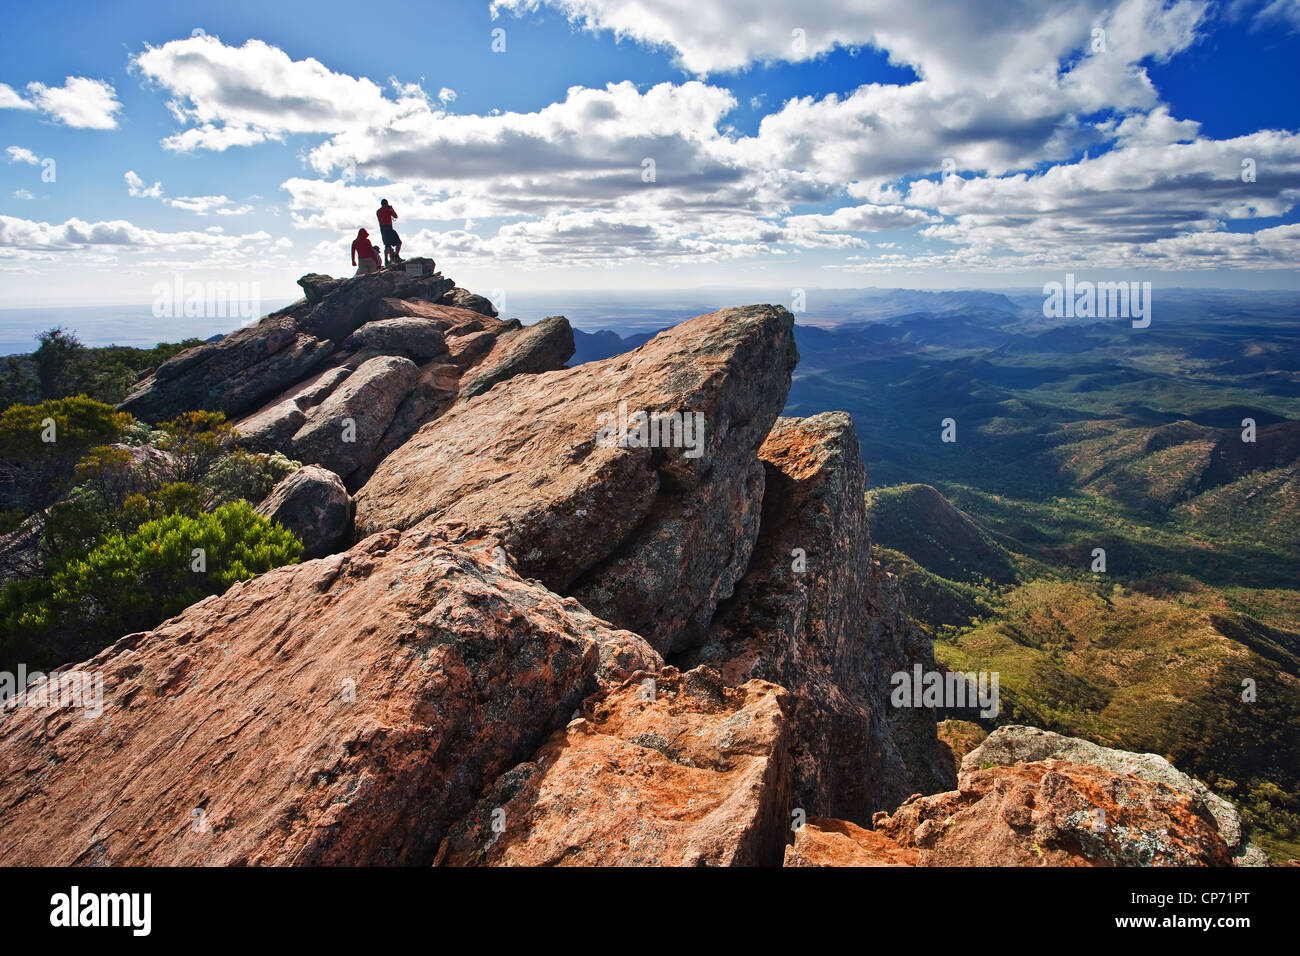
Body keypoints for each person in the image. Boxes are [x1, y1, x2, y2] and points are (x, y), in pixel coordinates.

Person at [376, 199, 402, 263]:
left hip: (383, 229)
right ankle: (396, 255)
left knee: (387, 245)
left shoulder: (378, 211)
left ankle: (386, 259)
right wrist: (391, 209)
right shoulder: (388, 210)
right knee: (399, 242)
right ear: (387, 203)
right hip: (388, 228)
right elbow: (395, 216)